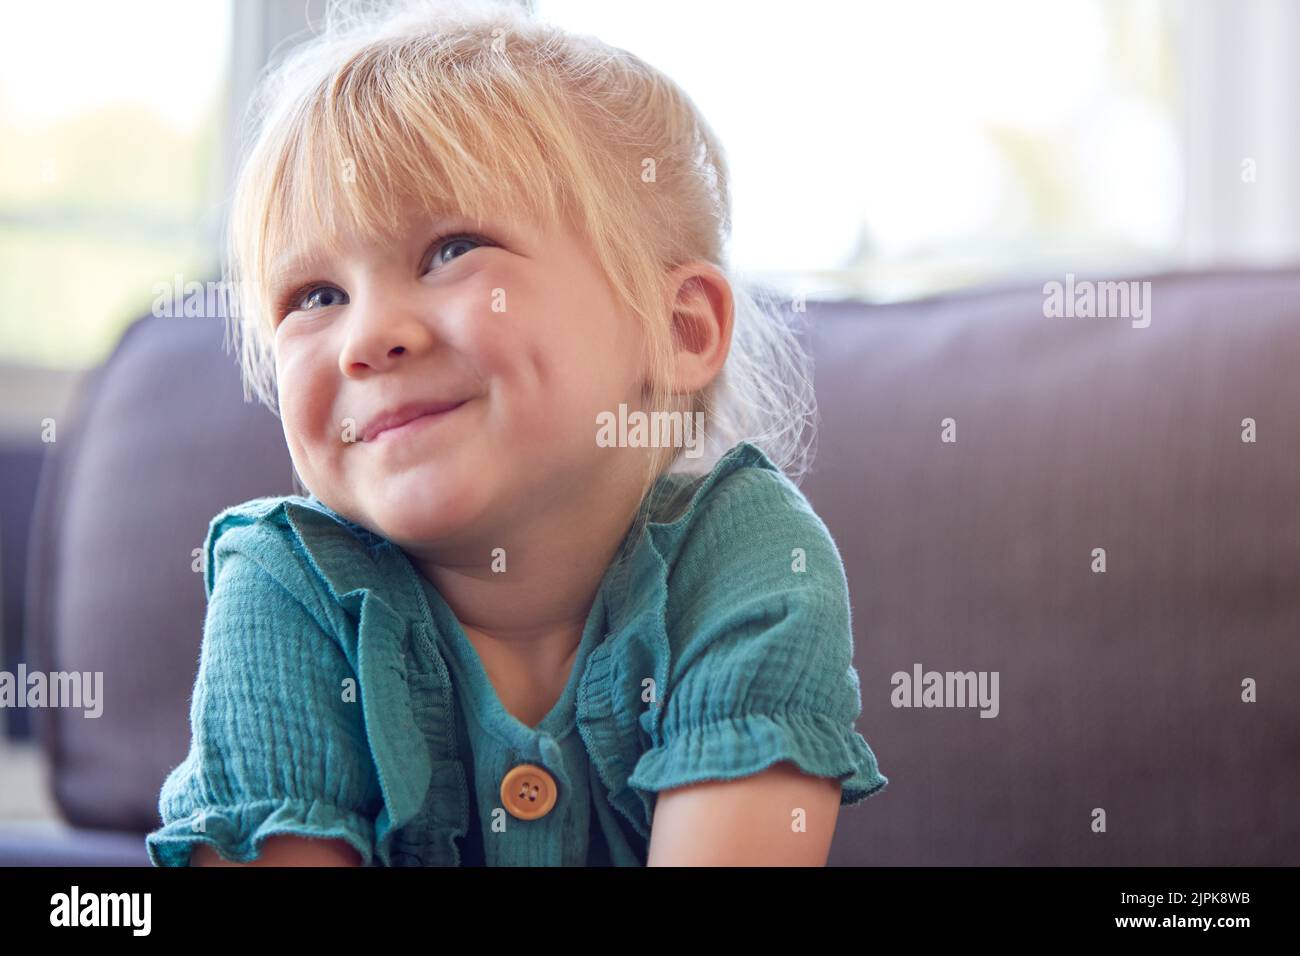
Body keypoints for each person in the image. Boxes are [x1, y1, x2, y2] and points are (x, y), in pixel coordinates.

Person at [145, 0, 887, 867]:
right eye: (316, 297)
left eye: (452, 251)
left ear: (677, 330)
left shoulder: (750, 557)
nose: (366, 337)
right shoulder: (285, 588)